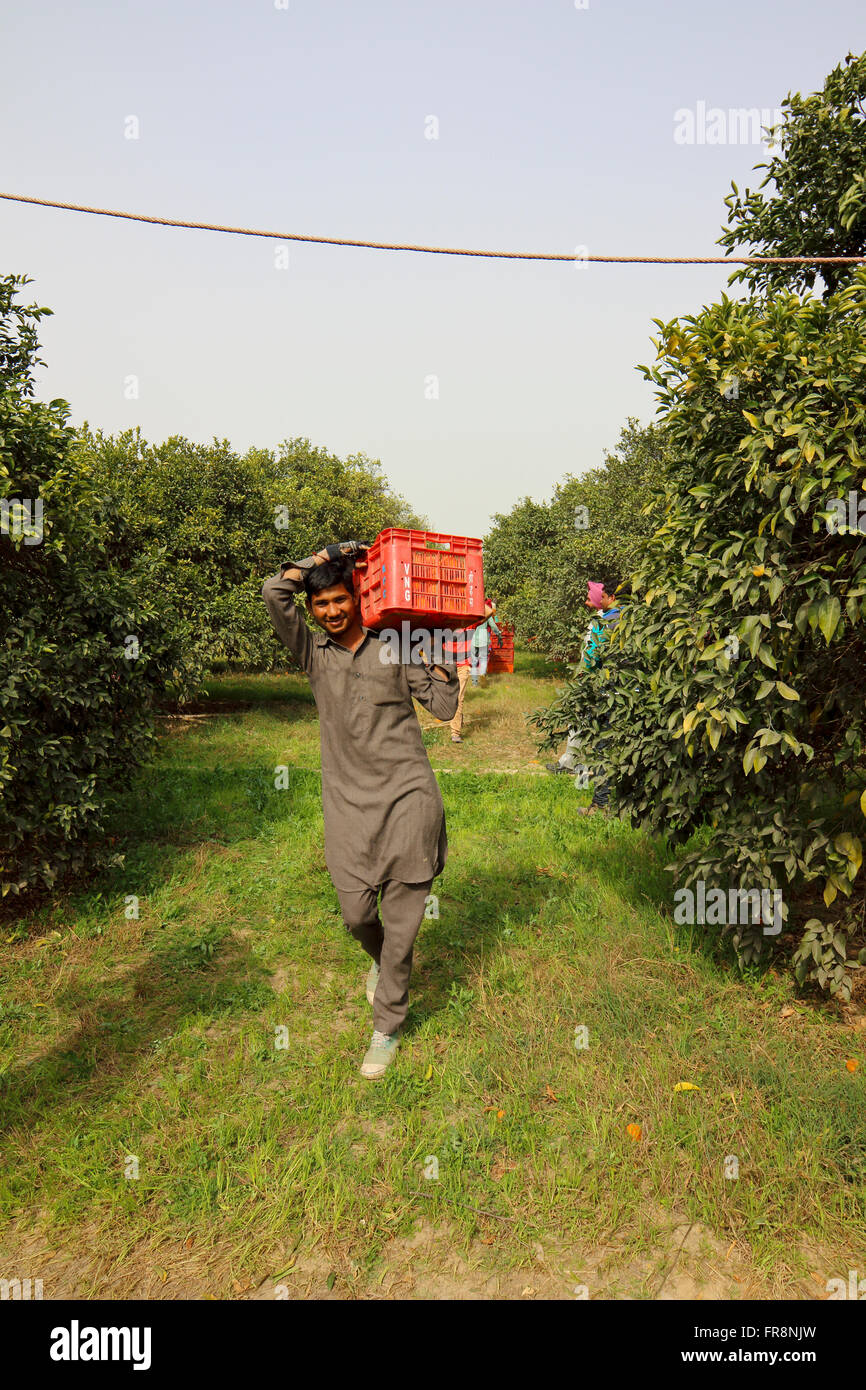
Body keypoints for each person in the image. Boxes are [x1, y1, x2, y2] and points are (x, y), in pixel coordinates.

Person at [262, 541, 459, 1079]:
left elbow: (443, 707)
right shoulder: (312, 654)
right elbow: (274, 590)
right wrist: (326, 555)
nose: (330, 612)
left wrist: (437, 651)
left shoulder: (394, 647)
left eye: (339, 600)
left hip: (407, 799)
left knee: (401, 925)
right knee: (356, 913)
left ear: (358, 599)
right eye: (320, 604)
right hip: (348, 803)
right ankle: (380, 962)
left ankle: (386, 1026)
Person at [546, 581, 622, 810]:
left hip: (601, 690)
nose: (587, 602)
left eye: (592, 598)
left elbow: (591, 656)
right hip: (620, 690)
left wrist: (581, 679)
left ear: (606, 597)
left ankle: (598, 801)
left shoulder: (606, 621)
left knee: (596, 743)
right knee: (600, 743)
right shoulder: (625, 618)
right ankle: (589, 786)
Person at [470, 599, 501, 687]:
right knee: (483, 659)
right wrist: (499, 634)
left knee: (474, 661)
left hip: (473, 638)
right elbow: (494, 626)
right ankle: (482, 673)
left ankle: (474, 683)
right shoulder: (487, 615)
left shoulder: (474, 613)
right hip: (483, 638)